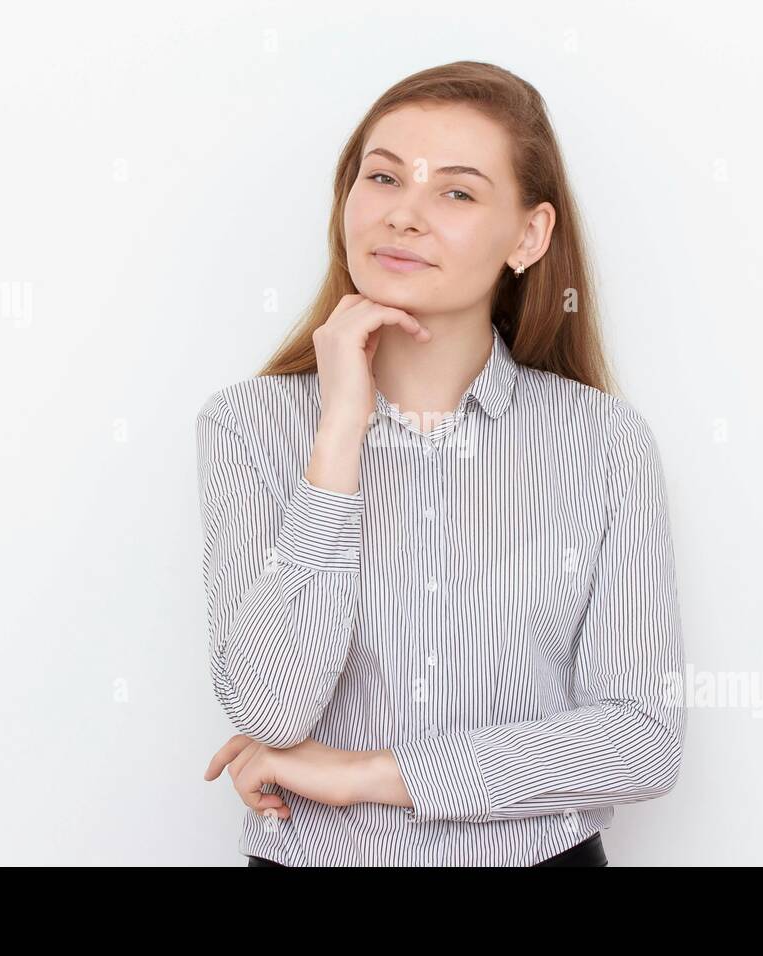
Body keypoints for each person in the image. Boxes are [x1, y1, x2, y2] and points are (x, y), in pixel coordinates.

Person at [197, 60, 685, 867]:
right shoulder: (247, 427)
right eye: (382, 178)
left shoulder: (603, 443)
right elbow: (270, 707)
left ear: (529, 236)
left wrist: (372, 775)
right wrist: (339, 433)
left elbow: (641, 739)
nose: (403, 216)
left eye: (456, 192)